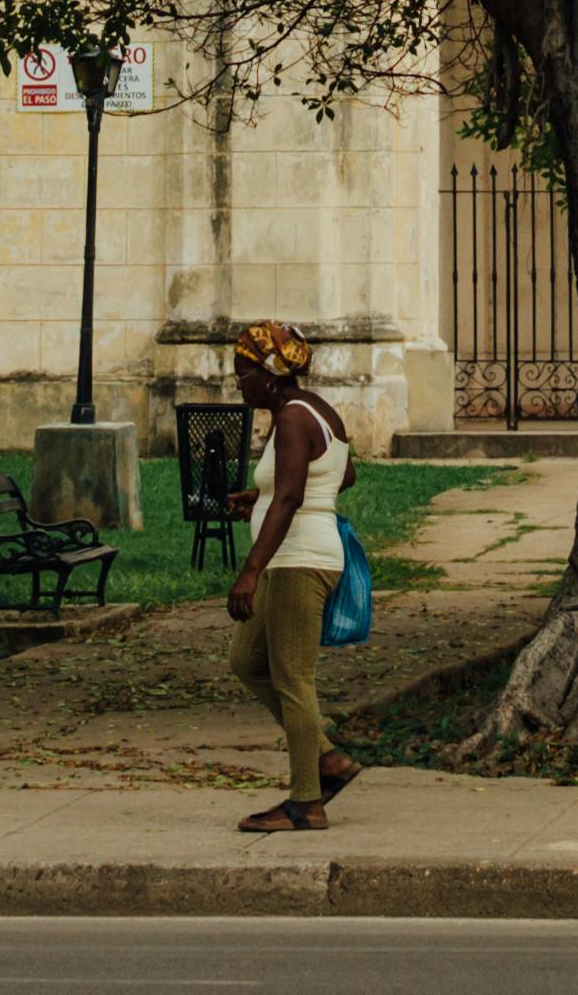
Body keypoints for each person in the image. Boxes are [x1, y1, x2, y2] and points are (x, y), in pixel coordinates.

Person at [220, 315, 356, 832]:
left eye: (244, 373)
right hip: (291, 554)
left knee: (293, 678)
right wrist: (261, 497)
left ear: (270, 374)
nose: (239, 382)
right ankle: (326, 757)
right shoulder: (311, 410)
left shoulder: (295, 418)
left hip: (300, 560)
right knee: (246, 660)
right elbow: (342, 473)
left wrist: (249, 571)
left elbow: (294, 496)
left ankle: (307, 803)